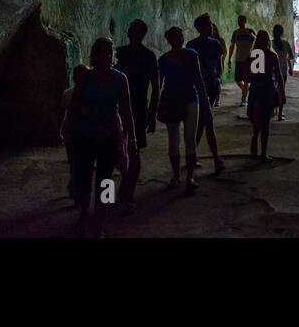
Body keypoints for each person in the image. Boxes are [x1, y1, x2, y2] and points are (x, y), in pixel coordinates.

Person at [62, 40, 135, 230]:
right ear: (95, 55)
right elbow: (73, 106)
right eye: (104, 52)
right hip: (86, 135)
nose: (108, 56)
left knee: (106, 178)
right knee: (84, 176)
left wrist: (132, 138)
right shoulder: (86, 77)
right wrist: (70, 129)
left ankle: (102, 217)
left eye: (110, 52)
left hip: (110, 134)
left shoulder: (120, 79)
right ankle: (85, 211)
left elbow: (127, 110)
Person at [158, 26, 214, 192]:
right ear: (170, 39)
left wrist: (205, 101)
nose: (180, 38)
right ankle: (177, 176)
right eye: (176, 36)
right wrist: (157, 105)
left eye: (180, 36)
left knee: (190, 139)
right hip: (173, 101)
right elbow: (159, 83)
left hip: (190, 99)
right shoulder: (164, 60)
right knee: (174, 141)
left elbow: (198, 78)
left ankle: (189, 177)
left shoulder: (191, 55)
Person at [114, 20, 159, 207]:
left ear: (142, 34)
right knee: (113, 154)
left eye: (137, 30)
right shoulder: (119, 53)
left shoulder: (148, 56)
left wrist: (153, 114)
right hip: (116, 109)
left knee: (133, 151)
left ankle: (127, 194)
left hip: (138, 109)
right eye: (132, 29)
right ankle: (119, 194)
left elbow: (156, 87)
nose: (134, 32)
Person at [186, 14, 226, 173]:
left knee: (202, 123)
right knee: (206, 122)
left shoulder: (215, 44)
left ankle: (192, 156)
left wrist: (218, 79)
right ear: (200, 27)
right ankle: (216, 160)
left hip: (211, 87)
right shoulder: (192, 45)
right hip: (198, 89)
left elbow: (219, 64)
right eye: (208, 25)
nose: (211, 27)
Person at [245, 30, 285, 160]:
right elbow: (278, 76)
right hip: (266, 89)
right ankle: (262, 152)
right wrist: (281, 93)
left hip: (258, 89)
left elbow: (251, 76)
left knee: (259, 121)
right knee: (265, 122)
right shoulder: (270, 56)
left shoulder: (255, 55)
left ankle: (256, 143)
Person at [59, 64, 87, 201]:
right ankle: (77, 190)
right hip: (75, 133)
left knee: (76, 163)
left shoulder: (68, 93)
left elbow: (62, 115)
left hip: (76, 133)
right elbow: (63, 115)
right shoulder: (71, 94)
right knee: (79, 163)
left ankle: (75, 189)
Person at [227, 15, 256, 106]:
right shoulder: (236, 33)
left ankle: (243, 100)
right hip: (239, 58)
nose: (239, 22)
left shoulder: (250, 31)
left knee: (247, 80)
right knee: (238, 80)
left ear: (245, 21)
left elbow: (256, 42)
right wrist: (229, 59)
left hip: (248, 59)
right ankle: (246, 91)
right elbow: (232, 46)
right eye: (238, 21)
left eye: (241, 20)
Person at [271, 24, 295, 120]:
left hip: (272, 72)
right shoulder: (286, 44)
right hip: (283, 72)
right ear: (282, 33)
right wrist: (289, 66)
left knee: (273, 91)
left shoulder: (271, 44)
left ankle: (274, 109)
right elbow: (291, 56)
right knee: (281, 92)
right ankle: (280, 114)